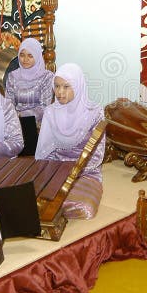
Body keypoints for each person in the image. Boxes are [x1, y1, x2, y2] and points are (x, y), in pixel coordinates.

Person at [35, 63, 105, 220]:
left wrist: (72, 172)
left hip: (85, 172)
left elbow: (96, 156)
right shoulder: (51, 111)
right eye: (57, 86)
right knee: (33, 200)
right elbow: (46, 151)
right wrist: (54, 173)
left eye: (66, 86)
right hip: (56, 170)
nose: (60, 92)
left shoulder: (94, 113)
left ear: (78, 86)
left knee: (82, 208)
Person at [5, 38, 54, 155]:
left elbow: (44, 107)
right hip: (16, 123)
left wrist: (22, 115)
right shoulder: (12, 76)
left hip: (38, 126)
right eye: (22, 55)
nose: (25, 59)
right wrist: (14, 116)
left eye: (30, 56)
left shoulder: (47, 77)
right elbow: (8, 102)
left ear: (37, 56)